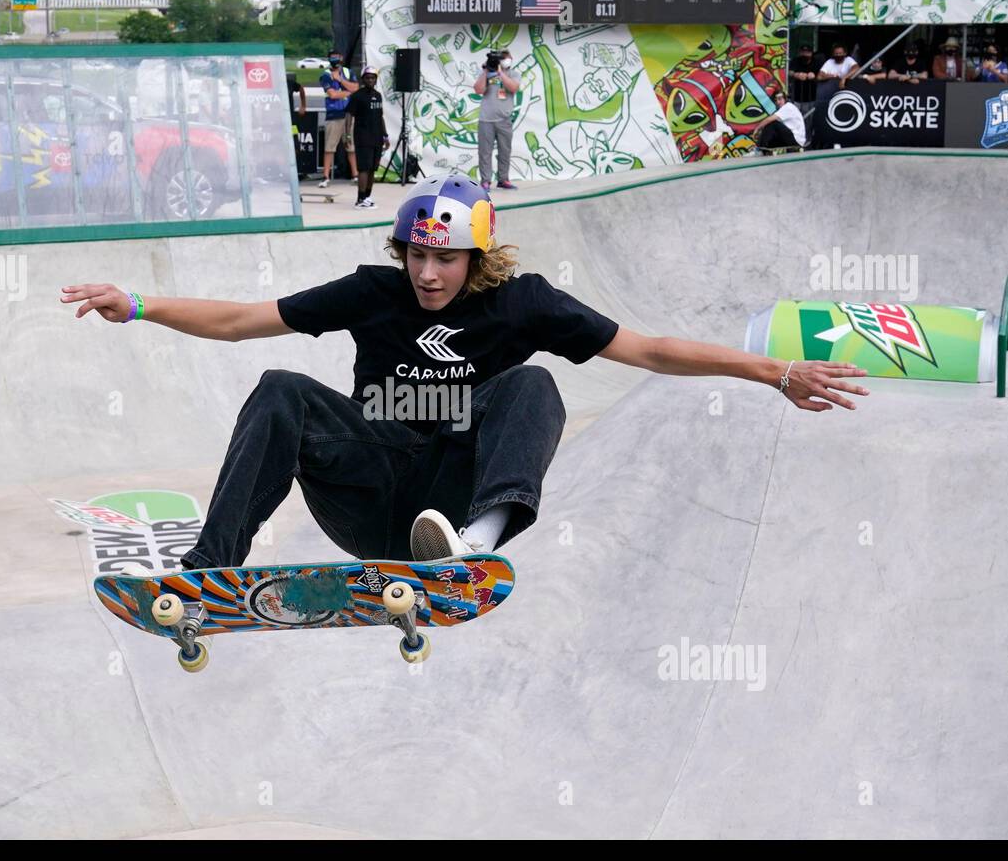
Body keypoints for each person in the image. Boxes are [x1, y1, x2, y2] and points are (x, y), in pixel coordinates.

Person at [60, 174, 869, 570]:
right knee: (281, 389)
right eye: (417, 254)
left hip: (447, 501)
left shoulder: (525, 305)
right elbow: (242, 323)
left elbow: (650, 349)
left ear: (476, 256)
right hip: (369, 489)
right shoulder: (370, 291)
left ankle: (478, 543)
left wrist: (772, 371)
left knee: (533, 383)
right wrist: (139, 302)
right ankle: (209, 572)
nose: (428, 274)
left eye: (445, 259)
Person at [473, 51, 521, 191]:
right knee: (485, 152)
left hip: (504, 119)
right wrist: (486, 71)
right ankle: (485, 181)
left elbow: (513, 88)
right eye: (502, 59)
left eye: (506, 59)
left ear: (510, 60)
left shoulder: (514, 74)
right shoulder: (486, 73)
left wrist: (500, 73)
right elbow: (478, 90)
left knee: (505, 151)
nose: (505, 61)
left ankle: (503, 179)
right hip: (486, 119)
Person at [346, 66, 390, 210]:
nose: (370, 80)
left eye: (373, 78)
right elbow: (349, 115)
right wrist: (347, 134)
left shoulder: (378, 95)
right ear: (363, 79)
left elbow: (380, 116)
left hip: (377, 137)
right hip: (363, 137)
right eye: (367, 77)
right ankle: (360, 199)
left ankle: (367, 196)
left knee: (372, 169)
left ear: (376, 80)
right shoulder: (357, 96)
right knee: (364, 168)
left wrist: (385, 135)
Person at [319, 50, 358, 188]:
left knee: (351, 146)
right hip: (334, 116)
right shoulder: (325, 75)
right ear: (329, 59)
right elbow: (333, 95)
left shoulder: (348, 73)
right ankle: (325, 177)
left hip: (349, 115)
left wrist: (341, 80)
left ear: (341, 58)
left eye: (337, 56)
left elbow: (356, 88)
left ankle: (355, 175)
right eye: (332, 57)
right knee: (330, 147)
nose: (335, 59)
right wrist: (348, 92)